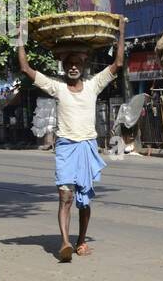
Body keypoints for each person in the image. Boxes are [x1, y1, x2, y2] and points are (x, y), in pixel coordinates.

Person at [17, 23, 124, 262]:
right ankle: (65, 243)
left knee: (83, 201)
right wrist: (20, 37)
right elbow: (25, 68)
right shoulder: (57, 88)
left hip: (87, 146)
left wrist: (121, 31)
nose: (73, 67)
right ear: (63, 67)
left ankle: (81, 241)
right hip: (65, 146)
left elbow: (117, 64)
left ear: (84, 66)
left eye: (77, 63)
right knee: (64, 197)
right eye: (69, 64)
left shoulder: (94, 86)